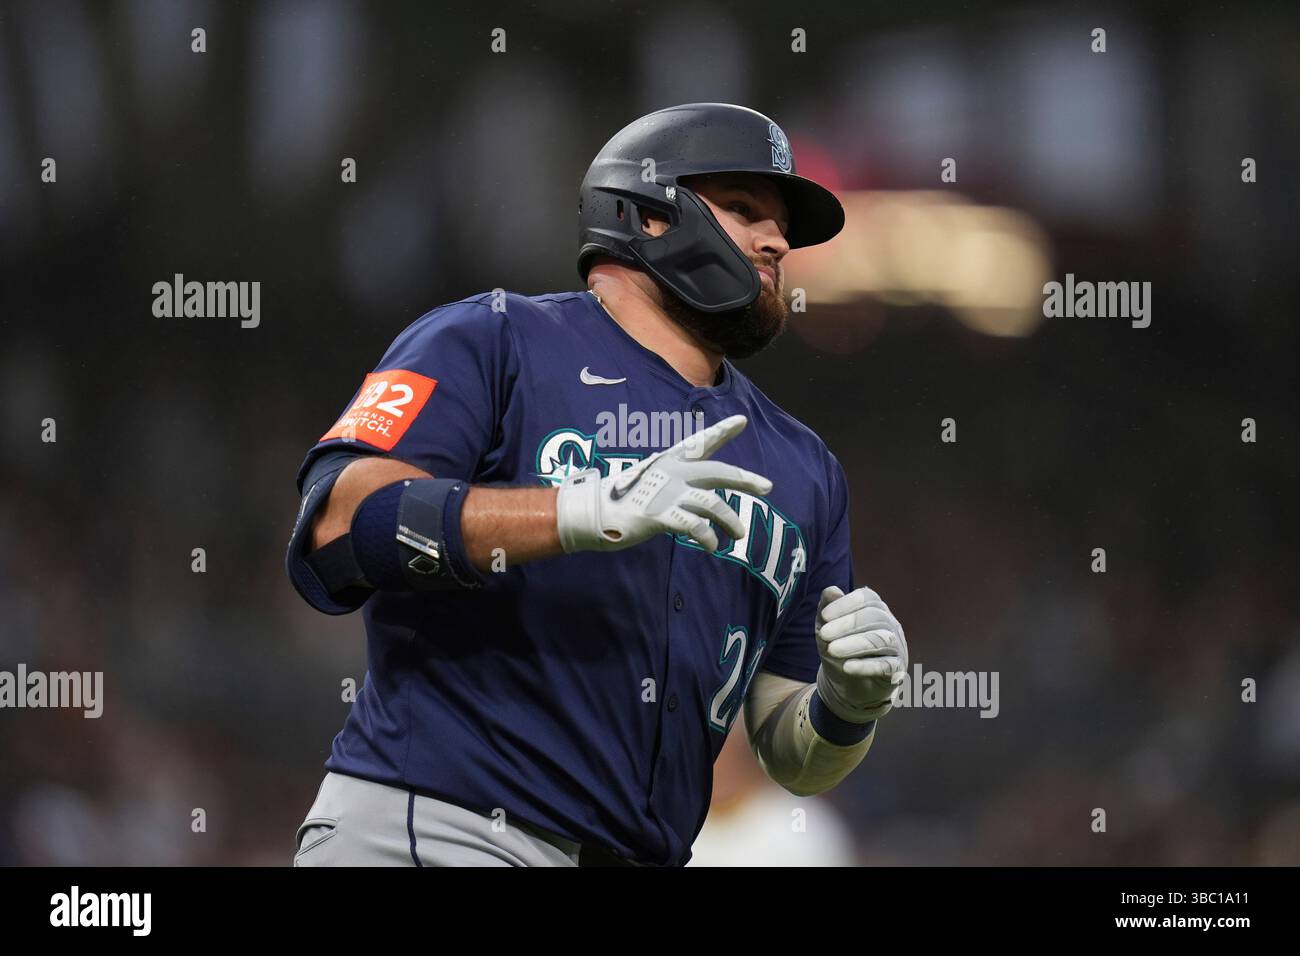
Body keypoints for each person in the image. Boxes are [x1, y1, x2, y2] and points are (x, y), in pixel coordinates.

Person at [285, 103, 909, 867]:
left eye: (780, 224)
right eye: (746, 210)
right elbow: (339, 528)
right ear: (650, 217)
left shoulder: (804, 467)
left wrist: (847, 707)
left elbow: (788, 754)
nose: (777, 240)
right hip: (444, 830)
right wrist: (576, 511)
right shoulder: (494, 338)